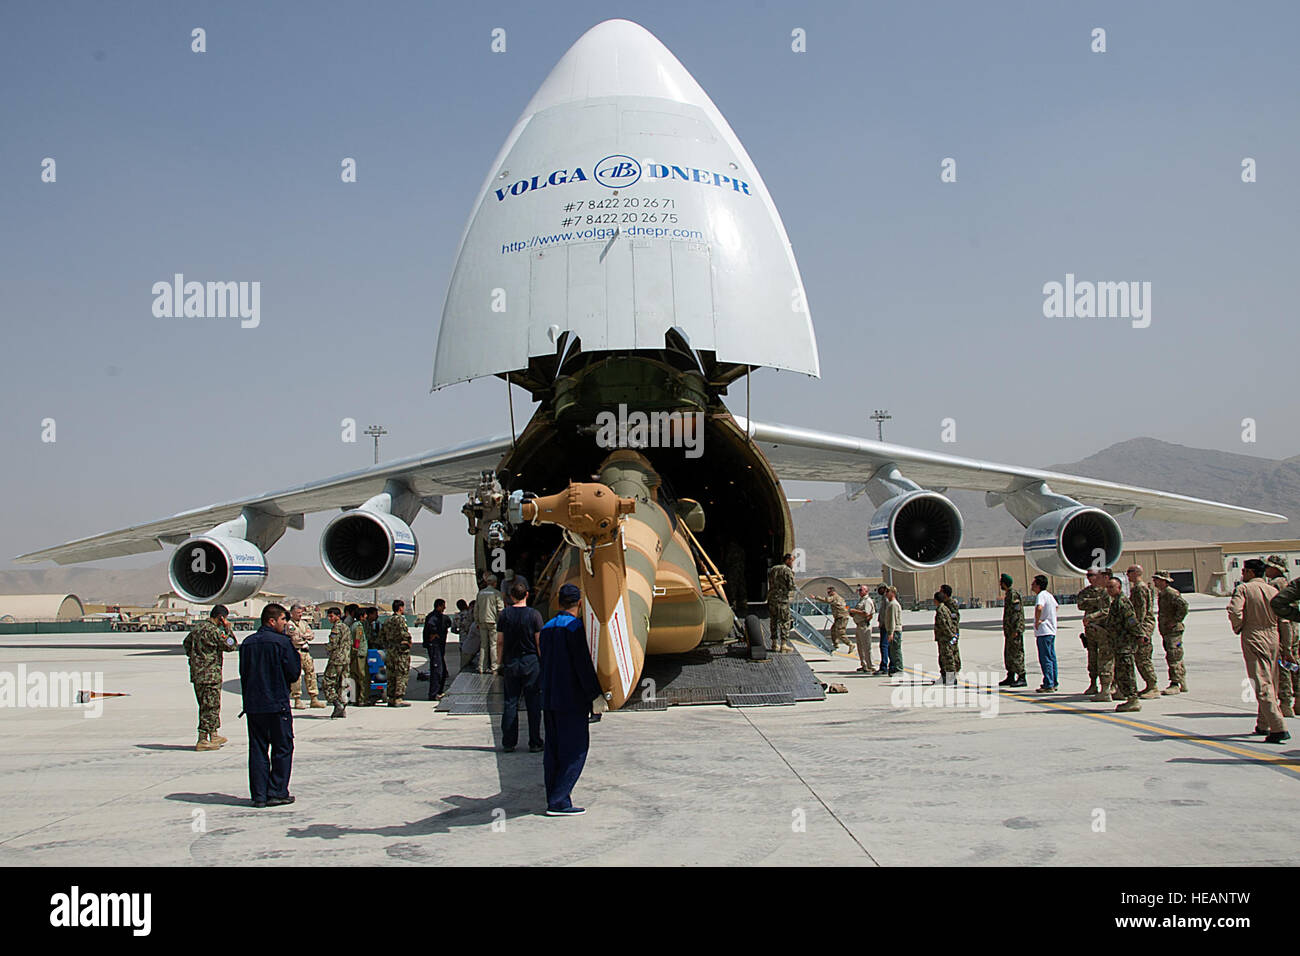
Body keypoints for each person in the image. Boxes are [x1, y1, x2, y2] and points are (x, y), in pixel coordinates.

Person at [539, 584, 604, 816]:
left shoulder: (546, 628)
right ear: (579, 603)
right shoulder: (576, 629)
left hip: (549, 698)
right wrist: (595, 695)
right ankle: (559, 802)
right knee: (576, 749)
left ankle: (553, 796)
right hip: (571, 700)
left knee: (553, 750)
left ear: (558, 602)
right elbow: (582, 666)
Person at [238, 603, 301, 808]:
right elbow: (293, 673)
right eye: (283, 620)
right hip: (277, 704)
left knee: (257, 748)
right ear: (272, 620)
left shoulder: (247, 643)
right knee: (282, 747)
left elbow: (244, 674)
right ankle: (277, 791)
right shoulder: (282, 643)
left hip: (254, 706)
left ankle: (258, 795)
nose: (285, 624)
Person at [1228, 558, 1289, 743]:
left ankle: (1278, 726)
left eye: (1245, 571)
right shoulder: (1273, 590)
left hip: (1254, 634)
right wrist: (1286, 646)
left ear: (1251, 573)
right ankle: (1264, 723)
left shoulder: (1244, 589)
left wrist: (1239, 627)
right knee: (1272, 680)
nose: (1242, 574)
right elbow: (1285, 620)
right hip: (1273, 636)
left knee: (1261, 682)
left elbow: (1234, 611)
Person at [183, 604, 238, 751]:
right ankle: (202, 739)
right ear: (221, 617)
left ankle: (213, 734)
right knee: (211, 707)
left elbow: (186, 644)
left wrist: (196, 659)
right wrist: (228, 629)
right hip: (210, 675)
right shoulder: (215, 631)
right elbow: (231, 645)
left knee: (205, 704)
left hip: (198, 674)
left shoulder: (197, 629)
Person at [497, 580, 545, 753]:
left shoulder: (504, 615)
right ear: (527, 595)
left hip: (511, 662)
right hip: (531, 662)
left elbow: (500, 641)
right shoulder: (534, 615)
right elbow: (539, 641)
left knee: (510, 702)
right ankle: (535, 741)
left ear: (511, 596)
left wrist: (498, 662)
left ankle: (509, 742)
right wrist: (542, 661)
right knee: (533, 703)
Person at [1264, 555, 1297, 717]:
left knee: (1283, 666)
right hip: (1294, 629)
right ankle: (1298, 701)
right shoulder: (1288, 583)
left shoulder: (1275, 585)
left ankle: (1285, 704)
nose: (1266, 570)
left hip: (1283, 629)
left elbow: (1280, 613)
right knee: (1295, 667)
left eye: (1268, 567)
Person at [1104, 575, 1143, 712]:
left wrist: (1139, 635)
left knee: (1127, 672)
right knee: (1121, 672)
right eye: (1107, 587)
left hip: (1124, 645)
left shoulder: (1122, 603)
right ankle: (1126, 696)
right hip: (1118, 644)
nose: (1108, 590)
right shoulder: (1115, 602)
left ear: (1119, 588)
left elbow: (1131, 621)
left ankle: (1133, 699)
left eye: (1111, 587)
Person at [1077, 569, 1115, 701]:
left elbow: (1106, 609)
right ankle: (1093, 684)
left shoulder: (1107, 591)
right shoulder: (1086, 591)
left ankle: (1109, 686)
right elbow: (1080, 604)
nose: (1090, 578)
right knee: (1092, 658)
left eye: (1092, 575)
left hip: (1103, 629)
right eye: (1088, 576)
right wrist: (1095, 601)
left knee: (1106, 659)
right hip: (1091, 630)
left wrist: (1092, 607)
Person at [1126, 566, 1161, 699]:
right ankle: (1149, 685)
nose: (1128, 575)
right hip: (1144, 627)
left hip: (1142, 628)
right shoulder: (1141, 587)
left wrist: (1137, 629)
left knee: (1143, 658)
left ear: (1136, 573)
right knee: (1141, 658)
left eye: (1129, 572)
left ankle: (1153, 686)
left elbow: (1140, 611)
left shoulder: (1139, 588)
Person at [1152, 570, 1189, 694]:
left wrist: (1176, 620)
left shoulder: (1171, 593)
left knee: (1174, 656)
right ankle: (1181, 681)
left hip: (1173, 630)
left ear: (1163, 581)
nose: (1154, 582)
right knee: (1175, 655)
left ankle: (1175, 683)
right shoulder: (1163, 593)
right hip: (1167, 630)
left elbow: (1183, 606)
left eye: (1156, 579)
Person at [286, 604, 323, 710]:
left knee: (311, 674)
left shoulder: (304, 623)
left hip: (306, 652)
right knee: (296, 677)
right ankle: (297, 699)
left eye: (301, 612)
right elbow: (295, 639)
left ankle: (314, 698)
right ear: (292, 613)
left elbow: (311, 635)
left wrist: (304, 636)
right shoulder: (290, 625)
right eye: (298, 613)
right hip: (296, 652)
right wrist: (304, 636)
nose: (300, 615)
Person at [379, 600, 412, 706]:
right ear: (400, 608)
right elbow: (404, 634)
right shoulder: (400, 620)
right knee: (401, 673)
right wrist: (408, 642)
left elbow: (382, 637)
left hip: (390, 650)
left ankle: (391, 697)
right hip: (400, 651)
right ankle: (398, 697)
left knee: (391, 673)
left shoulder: (388, 620)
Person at [320, 606, 351, 718]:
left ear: (338, 616)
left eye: (331, 616)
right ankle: (342, 707)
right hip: (346, 659)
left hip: (336, 659)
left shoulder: (336, 628)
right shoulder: (346, 627)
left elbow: (333, 644)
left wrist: (327, 647)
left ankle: (336, 703)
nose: (329, 618)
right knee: (342, 684)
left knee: (327, 682)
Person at [1030, 575, 1058, 693]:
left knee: (1045, 658)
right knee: (1052, 657)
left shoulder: (1041, 595)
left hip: (1044, 631)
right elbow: (1056, 607)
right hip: (1051, 630)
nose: (1032, 586)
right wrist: (1050, 617)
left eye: (1033, 584)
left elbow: (1039, 607)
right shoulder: (1049, 595)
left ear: (1038, 585)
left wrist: (1038, 620)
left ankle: (1048, 683)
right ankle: (1054, 681)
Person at [998, 574, 1026, 687]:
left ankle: (1022, 676)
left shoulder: (1013, 595)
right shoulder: (1008, 595)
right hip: (1010, 631)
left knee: (1017, 653)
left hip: (1014, 631)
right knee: (1009, 654)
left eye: (1001, 582)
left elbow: (1017, 614)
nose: (1000, 584)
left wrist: (1016, 629)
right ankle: (1011, 675)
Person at [422, 598, 452, 700]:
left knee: (442, 671)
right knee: (436, 670)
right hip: (435, 647)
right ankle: (433, 693)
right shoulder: (433, 617)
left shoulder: (442, 618)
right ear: (439, 606)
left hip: (439, 647)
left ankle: (439, 691)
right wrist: (434, 634)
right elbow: (431, 626)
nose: (444, 608)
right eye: (443, 606)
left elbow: (448, 623)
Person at [475, 574, 505, 673]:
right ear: (495, 583)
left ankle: (481, 667)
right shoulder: (496, 593)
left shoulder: (480, 593)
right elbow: (501, 610)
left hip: (482, 621)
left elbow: (476, 609)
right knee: (493, 644)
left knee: (483, 645)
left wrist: (477, 621)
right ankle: (494, 666)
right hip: (493, 621)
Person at [767, 554, 796, 654]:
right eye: (792, 560)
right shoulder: (787, 570)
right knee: (785, 621)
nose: (793, 563)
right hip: (782, 599)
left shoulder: (773, 569)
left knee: (773, 620)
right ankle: (783, 644)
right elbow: (791, 586)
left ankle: (774, 644)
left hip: (772, 599)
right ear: (787, 560)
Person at [932, 590, 959, 684]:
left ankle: (951, 678)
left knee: (948, 658)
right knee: (947, 658)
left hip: (945, 638)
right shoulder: (945, 608)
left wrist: (951, 636)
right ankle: (948, 678)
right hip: (946, 637)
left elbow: (944, 624)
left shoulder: (940, 610)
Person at [848, 584, 875, 673]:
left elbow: (866, 613)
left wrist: (854, 611)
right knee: (860, 647)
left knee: (867, 647)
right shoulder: (861, 601)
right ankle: (864, 665)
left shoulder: (867, 601)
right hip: (859, 625)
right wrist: (853, 614)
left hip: (864, 626)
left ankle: (871, 665)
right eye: (859, 590)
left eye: (861, 590)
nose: (859, 592)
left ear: (866, 591)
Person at [347, 604, 369, 706]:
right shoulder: (359, 626)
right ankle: (362, 699)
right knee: (363, 677)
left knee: (354, 676)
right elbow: (357, 640)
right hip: (359, 654)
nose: (366, 617)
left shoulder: (353, 625)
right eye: (365, 615)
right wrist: (356, 650)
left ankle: (354, 698)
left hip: (355, 653)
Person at [881, 586, 903, 676]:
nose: (886, 593)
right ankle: (894, 668)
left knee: (896, 651)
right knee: (892, 651)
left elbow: (893, 620)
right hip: (892, 630)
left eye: (888, 591)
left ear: (893, 593)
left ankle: (899, 669)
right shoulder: (890, 604)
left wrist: (890, 633)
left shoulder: (893, 604)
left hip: (895, 631)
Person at [826, 586, 851, 652]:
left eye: (829, 592)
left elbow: (826, 600)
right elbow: (845, 606)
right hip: (838, 617)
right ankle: (835, 644)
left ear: (833, 591)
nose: (828, 593)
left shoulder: (834, 597)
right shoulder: (840, 598)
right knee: (833, 630)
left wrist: (816, 597)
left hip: (842, 617)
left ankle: (850, 644)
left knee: (840, 632)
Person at [874, 585, 891, 675]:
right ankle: (888, 665)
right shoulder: (884, 599)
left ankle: (884, 666)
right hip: (884, 625)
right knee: (886, 646)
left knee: (884, 646)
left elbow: (886, 613)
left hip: (886, 626)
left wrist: (884, 623)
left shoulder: (887, 600)